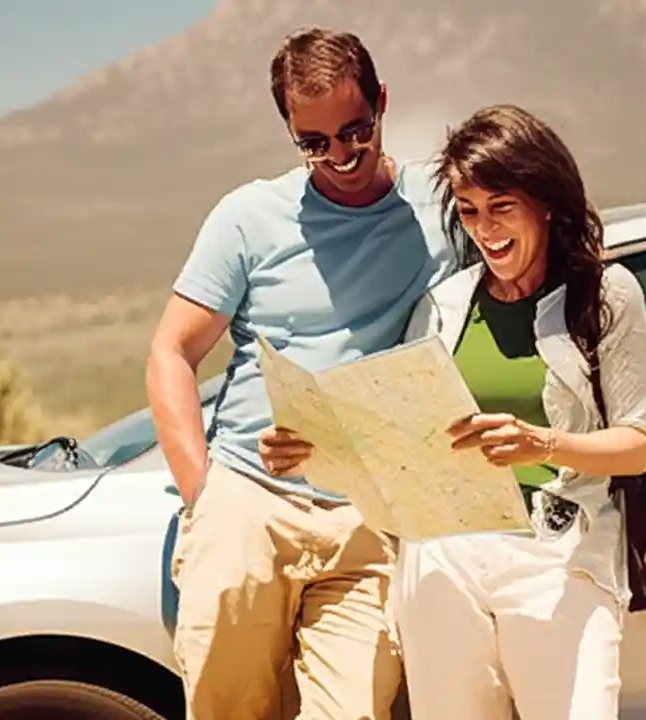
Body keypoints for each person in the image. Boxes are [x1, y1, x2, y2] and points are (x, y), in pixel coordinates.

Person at [260, 104, 646, 719]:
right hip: (444, 554)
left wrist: (540, 445)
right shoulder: (444, 305)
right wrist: (314, 448)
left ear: (546, 203)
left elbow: (636, 442)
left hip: (557, 554)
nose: (486, 230)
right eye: (470, 211)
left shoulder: (607, 297)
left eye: (502, 207)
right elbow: (398, 436)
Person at [146, 26, 454, 720]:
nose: (340, 156)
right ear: (290, 132)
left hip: (369, 513)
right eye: (315, 143)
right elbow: (171, 353)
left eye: (355, 131)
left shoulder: (440, 209)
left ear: (380, 102)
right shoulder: (248, 217)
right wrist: (206, 494)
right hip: (250, 501)